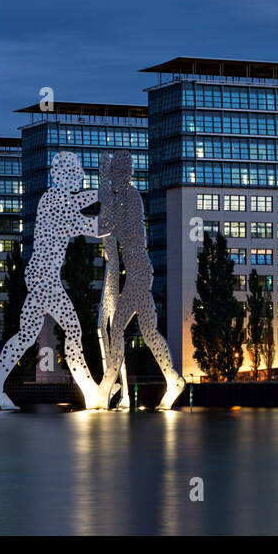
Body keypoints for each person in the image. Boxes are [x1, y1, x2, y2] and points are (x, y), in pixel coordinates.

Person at [0, 151, 103, 410]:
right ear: (60, 176)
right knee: (73, 330)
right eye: (74, 171)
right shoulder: (53, 201)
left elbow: (80, 200)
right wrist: (117, 214)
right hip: (44, 278)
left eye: (80, 171)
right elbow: (91, 226)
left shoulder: (56, 198)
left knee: (27, 335)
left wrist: (104, 193)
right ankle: (90, 389)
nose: (81, 175)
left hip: (41, 277)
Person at [94, 151, 185, 410]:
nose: (112, 180)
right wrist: (101, 180)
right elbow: (108, 218)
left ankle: (110, 385)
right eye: (110, 176)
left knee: (117, 328)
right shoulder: (122, 197)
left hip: (139, 273)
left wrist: (102, 212)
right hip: (137, 273)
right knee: (149, 332)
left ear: (123, 175)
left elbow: (114, 226)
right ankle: (173, 379)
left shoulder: (131, 198)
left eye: (114, 175)